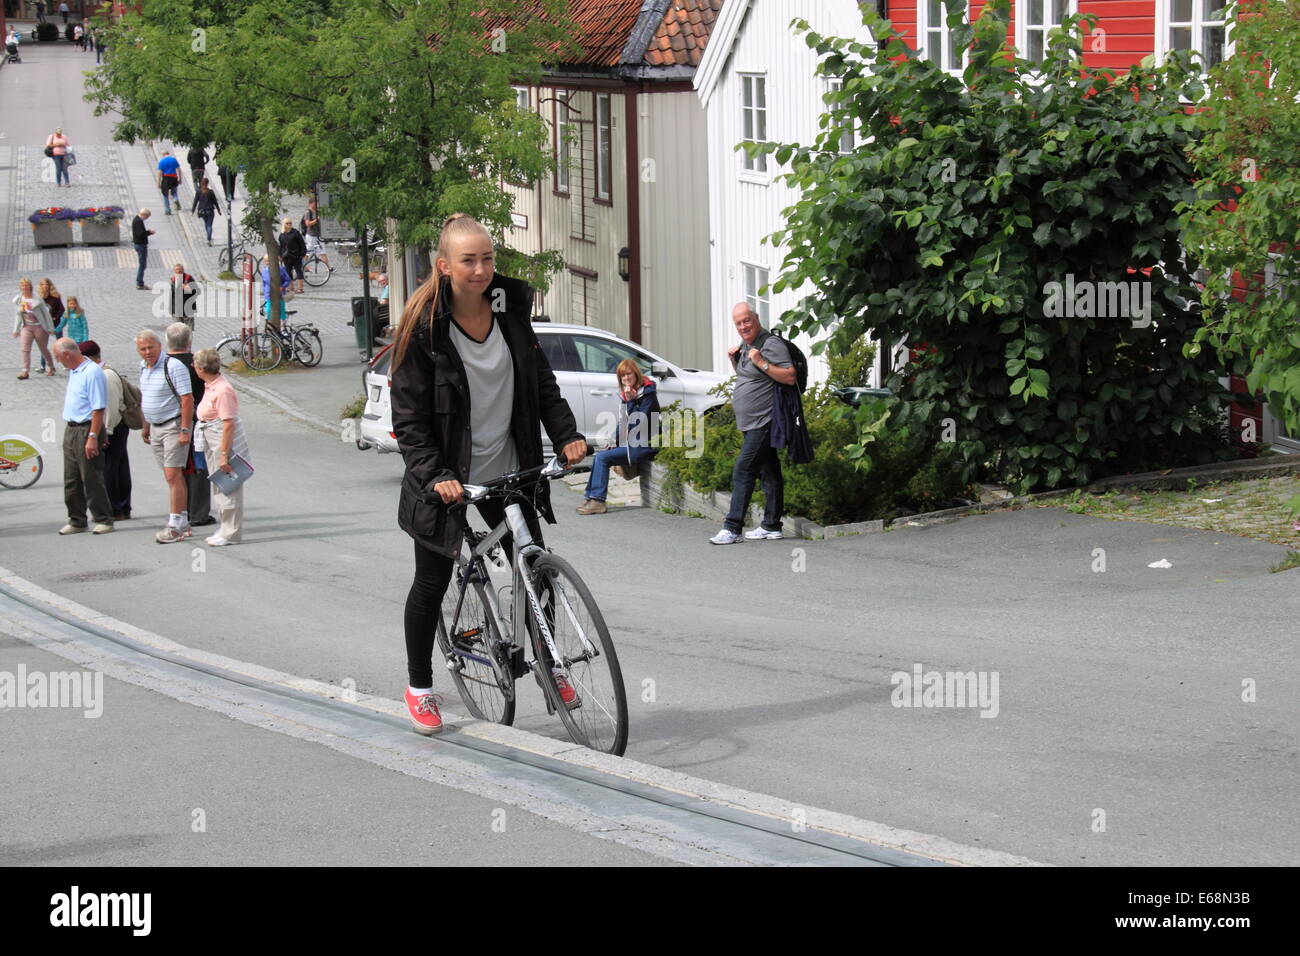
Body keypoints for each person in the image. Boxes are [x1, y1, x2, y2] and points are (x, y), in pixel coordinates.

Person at [389, 213, 586, 735]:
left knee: (532, 566)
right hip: (446, 476)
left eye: (488, 259)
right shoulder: (423, 330)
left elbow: (541, 383)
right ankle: (420, 687)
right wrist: (434, 475)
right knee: (430, 583)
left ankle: (548, 665)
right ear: (444, 266)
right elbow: (408, 419)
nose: (481, 270)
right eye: (469, 260)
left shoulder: (510, 313)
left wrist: (565, 433)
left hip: (507, 465)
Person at [709, 303, 798, 545]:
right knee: (768, 472)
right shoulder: (748, 345)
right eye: (738, 323)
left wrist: (762, 362)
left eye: (746, 320)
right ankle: (771, 525)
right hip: (751, 422)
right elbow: (751, 378)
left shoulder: (771, 344)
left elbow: (790, 376)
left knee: (743, 469)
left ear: (756, 319)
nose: (743, 326)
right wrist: (734, 361)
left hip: (766, 421)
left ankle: (732, 527)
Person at [577, 359, 660, 514]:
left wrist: (631, 401)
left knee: (603, 458)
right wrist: (614, 440)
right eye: (622, 376)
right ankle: (591, 497)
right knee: (600, 455)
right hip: (633, 443)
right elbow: (623, 423)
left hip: (645, 444)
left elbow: (639, 423)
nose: (626, 378)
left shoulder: (648, 395)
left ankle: (598, 501)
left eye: (628, 374)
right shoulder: (629, 396)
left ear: (636, 374)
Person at [136, 328, 194, 543]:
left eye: (151, 347)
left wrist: (185, 429)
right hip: (156, 427)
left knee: (172, 474)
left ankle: (174, 525)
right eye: (143, 349)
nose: (147, 352)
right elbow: (145, 398)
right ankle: (184, 521)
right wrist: (145, 426)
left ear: (160, 346)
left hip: (173, 425)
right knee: (171, 476)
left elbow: (187, 399)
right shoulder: (143, 367)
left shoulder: (174, 366)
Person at [54, 338, 114, 535]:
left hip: (86, 428)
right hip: (71, 428)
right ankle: (77, 519)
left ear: (67, 355)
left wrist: (93, 436)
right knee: (71, 478)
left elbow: (98, 408)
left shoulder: (92, 372)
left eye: (57, 357)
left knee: (91, 476)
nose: (57, 361)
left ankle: (103, 518)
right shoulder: (74, 370)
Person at [193, 348, 249, 546]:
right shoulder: (211, 385)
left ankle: (232, 532)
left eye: (195, 364)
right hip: (211, 438)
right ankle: (225, 528)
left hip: (221, 441)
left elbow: (228, 423)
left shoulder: (223, 390)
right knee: (218, 485)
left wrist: (224, 455)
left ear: (201, 368)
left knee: (229, 486)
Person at [80, 340, 133, 521]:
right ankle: (123, 507)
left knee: (110, 469)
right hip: (114, 426)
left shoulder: (106, 375)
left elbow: (110, 407)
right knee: (119, 467)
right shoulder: (101, 373)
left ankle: (115, 508)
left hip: (113, 428)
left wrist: (106, 433)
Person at [167, 322, 214, 527]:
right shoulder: (197, 364)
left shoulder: (163, 364)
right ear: (190, 341)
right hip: (196, 422)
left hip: (170, 423)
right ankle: (199, 513)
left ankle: (181, 510)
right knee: (198, 467)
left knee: (177, 468)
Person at [11, 278, 56, 380]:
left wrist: (50, 328)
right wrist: (16, 330)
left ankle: (51, 367)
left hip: (39, 326)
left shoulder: (37, 299)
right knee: (24, 349)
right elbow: (18, 315)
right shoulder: (20, 299)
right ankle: (25, 371)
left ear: (30, 286)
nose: (24, 287)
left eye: (26, 285)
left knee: (43, 349)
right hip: (26, 326)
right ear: (20, 287)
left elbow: (46, 314)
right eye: (22, 285)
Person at [36, 278, 63, 373]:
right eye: (43, 284)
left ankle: (66, 362)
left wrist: (55, 317)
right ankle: (42, 366)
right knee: (43, 346)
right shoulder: (39, 298)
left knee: (61, 344)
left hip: (56, 324)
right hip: (45, 325)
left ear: (50, 285)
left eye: (46, 284)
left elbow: (61, 309)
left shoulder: (55, 297)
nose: (45, 286)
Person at [277, 218, 307, 294]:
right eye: (287, 223)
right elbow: (281, 246)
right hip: (287, 257)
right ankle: (291, 287)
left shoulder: (295, 232)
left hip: (296, 255)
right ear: (284, 224)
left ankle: (300, 288)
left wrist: (303, 253)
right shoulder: (282, 234)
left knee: (298, 271)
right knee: (288, 271)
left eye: (290, 223)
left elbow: (302, 243)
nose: (289, 224)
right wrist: (279, 255)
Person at [300, 198, 330, 270]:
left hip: (318, 235)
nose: (317, 205)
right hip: (311, 236)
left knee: (323, 251)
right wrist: (317, 219)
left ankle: (328, 268)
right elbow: (308, 224)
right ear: (311, 203)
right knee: (307, 252)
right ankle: (303, 266)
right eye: (315, 203)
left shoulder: (317, 211)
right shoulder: (308, 212)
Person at [190, 177, 222, 244]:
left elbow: (195, 202)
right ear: (207, 183)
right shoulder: (210, 192)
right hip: (210, 210)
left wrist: (192, 211)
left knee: (206, 223)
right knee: (209, 225)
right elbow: (215, 201)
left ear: (201, 183)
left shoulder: (199, 192)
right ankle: (209, 238)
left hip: (202, 211)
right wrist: (219, 210)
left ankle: (208, 237)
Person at [259, 257, 290, 322]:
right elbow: (266, 282)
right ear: (265, 262)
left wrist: (283, 286)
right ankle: (268, 324)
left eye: (271, 261)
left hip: (280, 294)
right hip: (269, 295)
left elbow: (287, 280)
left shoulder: (281, 270)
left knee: (281, 310)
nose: (269, 263)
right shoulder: (265, 271)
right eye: (267, 261)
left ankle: (283, 326)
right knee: (268, 311)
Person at [169, 263, 198, 329]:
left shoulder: (189, 278)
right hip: (176, 309)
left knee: (189, 329)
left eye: (180, 269)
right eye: (177, 269)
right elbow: (172, 295)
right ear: (174, 271)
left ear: (183, 270)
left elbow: (195, 291)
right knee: (178, 329)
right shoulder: (173, 280)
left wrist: (187, 288)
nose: (178, 271)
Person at [131, 209, 154, 289]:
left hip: (139, 244)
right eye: (147, 217)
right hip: (140, 245)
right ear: (144, 215)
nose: (146, 218)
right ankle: (140, 283)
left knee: (142, 264)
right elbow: (140, 234)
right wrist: (149, 232)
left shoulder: (137, 219)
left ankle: (140, 282)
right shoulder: (138, 222)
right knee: (142, 265)